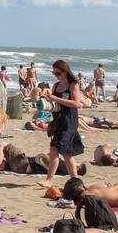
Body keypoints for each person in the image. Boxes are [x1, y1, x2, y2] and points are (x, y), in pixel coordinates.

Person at [38, 59, 86, 189]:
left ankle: (64, 181)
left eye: (58, 73)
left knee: (63, 150)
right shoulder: (56, 85)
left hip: (69, 120)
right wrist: (47, 101)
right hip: (58, 119)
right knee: (59, 150)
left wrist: (55, 98)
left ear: (65, 71)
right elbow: (55, 104)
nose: (56, 75)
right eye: (54, 73)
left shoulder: (73, 84)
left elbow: (76, 103)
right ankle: (73, 181)